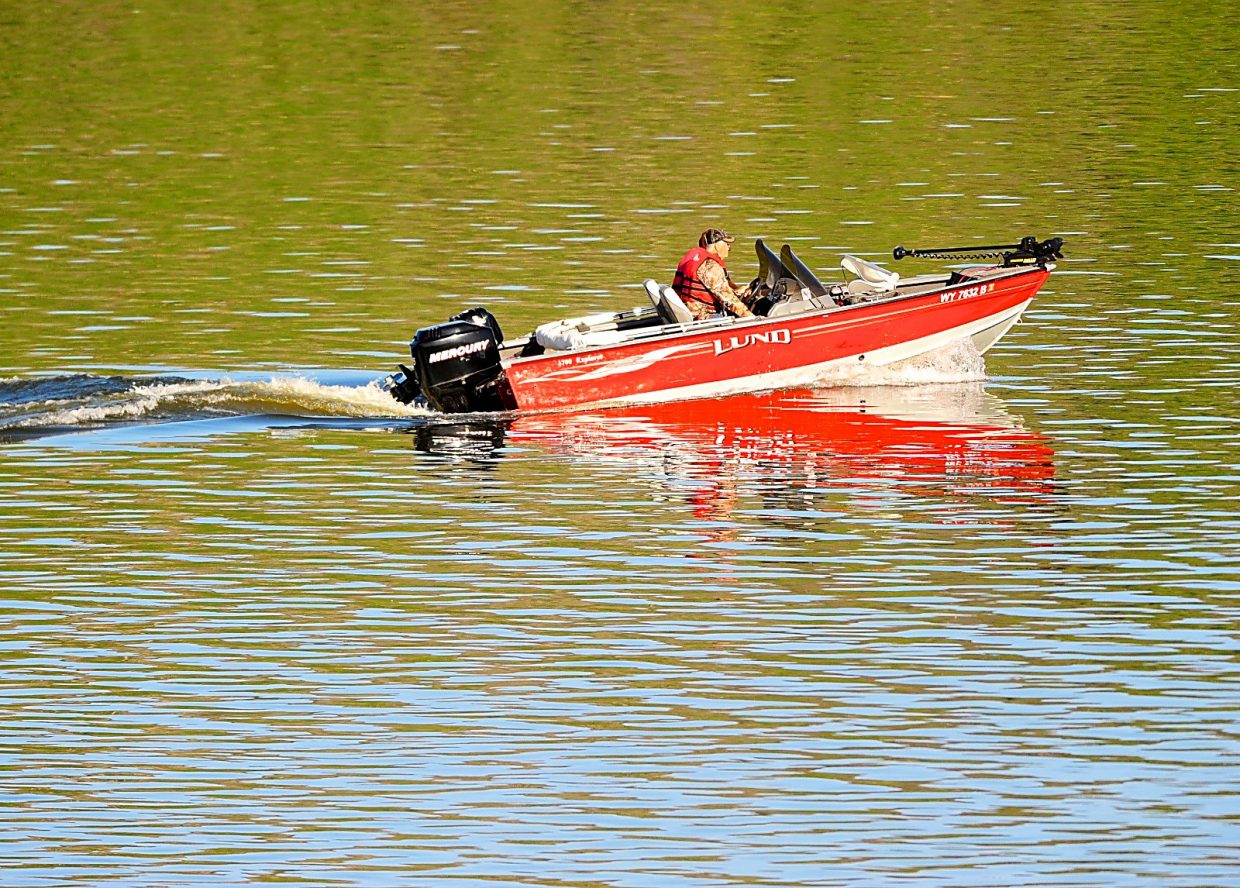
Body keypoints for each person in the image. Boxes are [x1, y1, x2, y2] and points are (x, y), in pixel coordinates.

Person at [672, 228, 754, 321]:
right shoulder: (710, 266)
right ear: (717, 246)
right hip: (703, 318)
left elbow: (717, 290)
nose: (729, 248)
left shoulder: (695, 260)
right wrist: (753, 318)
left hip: (690, 313)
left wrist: (740, 292)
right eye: (727, 244)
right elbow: (729, 300)